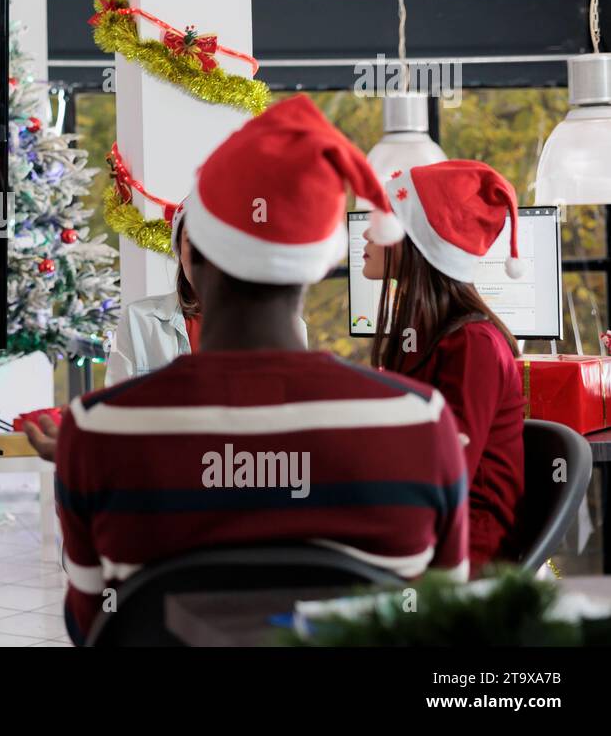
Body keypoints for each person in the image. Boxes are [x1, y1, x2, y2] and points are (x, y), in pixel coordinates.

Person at [54, 96, 469, 645]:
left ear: (191, 252)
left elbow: (93, 624)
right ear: (321, 261)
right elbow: (443, 622)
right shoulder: (419, 424)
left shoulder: (98, 431)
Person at [362, 160, 526, 571]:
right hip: (423, 533)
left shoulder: (473, 345)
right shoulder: (421, 334)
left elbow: (444, 478)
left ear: (416, 241)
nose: (365, 232)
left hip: (461, 555)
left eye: (381, 220)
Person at [103, 214, 202, 385]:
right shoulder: (137, 320)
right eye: (192, 240)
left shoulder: (258, 326)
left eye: (213, 241)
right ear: (178, 248)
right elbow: (116, 405)